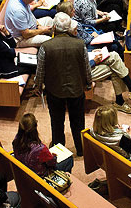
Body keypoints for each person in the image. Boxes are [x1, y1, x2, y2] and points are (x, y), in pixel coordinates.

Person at [35, 13, 91, 156]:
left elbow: (40, 70)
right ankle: (81, 148)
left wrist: (38, 86)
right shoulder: (80, 44)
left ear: (54, 27)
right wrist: (89, 83)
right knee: (78, 121)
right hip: (77, 89)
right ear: (68, 28)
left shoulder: (46, 46)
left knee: (57, 122)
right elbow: (86, 67)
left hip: (54, 90)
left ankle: (59, 151)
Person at [0, 12, 32, 83]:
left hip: (10, 61)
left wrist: (6, 33)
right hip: (5, 70)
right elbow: (11, 53)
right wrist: (13, 51)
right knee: (32, 66)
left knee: (34, 61)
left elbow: (13, 45)